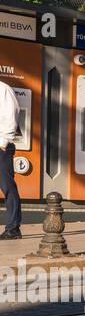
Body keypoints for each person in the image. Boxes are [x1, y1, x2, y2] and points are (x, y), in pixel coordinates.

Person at [0, 79, 22, 239]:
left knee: (7, 187)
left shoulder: (3, 89)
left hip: (1, 147)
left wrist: (3, 143)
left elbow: (11, 116)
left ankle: (13, 229)